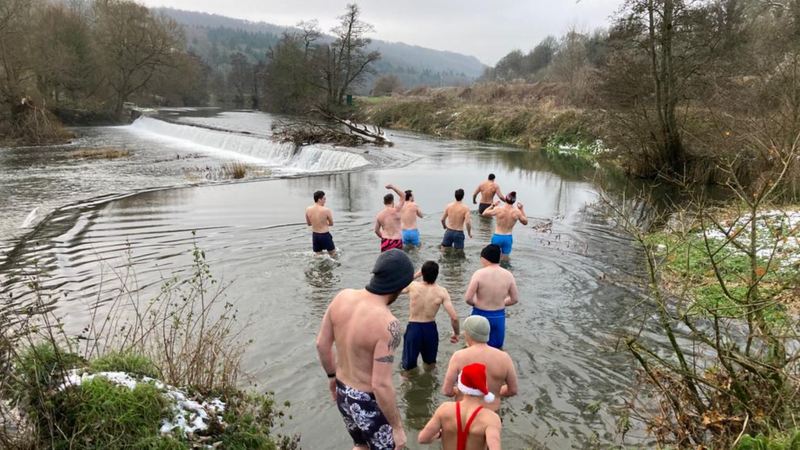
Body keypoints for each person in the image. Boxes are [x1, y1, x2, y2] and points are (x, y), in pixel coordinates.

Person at [316, 249, 414, 450]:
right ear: (400, 286)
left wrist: (331, 377)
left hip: (344, 392)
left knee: (361, 445)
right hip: (368, 402)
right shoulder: (389, 324)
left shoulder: (342, 297)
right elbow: (380, 384)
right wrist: (397, 427)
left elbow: (322, 344)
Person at [418, 363, 502, 450]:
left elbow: (422, 439)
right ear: (484, 387)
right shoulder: (491, 418)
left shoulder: (445, 409)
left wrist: (439, 434)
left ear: (461, 386)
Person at [442, 316, 518, 411]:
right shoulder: (504, 357)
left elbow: (447, 391)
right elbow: (513, 390)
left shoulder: (458, 356)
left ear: (467, 334)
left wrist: (460, 390)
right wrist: (495, 392)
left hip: (465, 413)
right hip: (491, 412)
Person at [400, 261, 460, 371]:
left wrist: (415, 276)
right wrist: (456, 333)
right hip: (430, 330)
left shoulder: (413, 286)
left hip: (414, 329)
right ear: (437, 274)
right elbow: (454, 317)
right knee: (430, 364)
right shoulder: (442, 292)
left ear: (422, 273)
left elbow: (397, 288)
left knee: (407, 367)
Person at [464, 245, 519, 349]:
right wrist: (502, 303)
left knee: (474, 347)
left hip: (479, 315)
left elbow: (468, 298)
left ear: (485, 258)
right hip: (498, 316)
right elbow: (514, 299)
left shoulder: (479, 274)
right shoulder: (508, 275)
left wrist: (475, 303)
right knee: (496, 349)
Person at [481, 192, 528, 260]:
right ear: (514, 201)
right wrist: (521, 209)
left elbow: (484, 213)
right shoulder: (517, 212)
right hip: (508, 238)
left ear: (506, 198)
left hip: (497, 236)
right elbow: (525, 222)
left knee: (493, 257)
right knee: (505, 259)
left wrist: (493, 205)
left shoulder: (498, 209)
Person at [375, 184, 406, 252]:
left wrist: (384, 238)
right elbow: (403, 195)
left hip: (385, 241)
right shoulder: (397, 210)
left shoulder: (379, 215)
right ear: (392, 202)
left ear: (383, 202)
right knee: (398, 261)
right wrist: (392, 187)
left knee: (386, 261)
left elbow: (376, 231)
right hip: (397, 241)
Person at [306, 190, 336, 256]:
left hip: (315, 235)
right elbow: (331, 223)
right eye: (324, 199)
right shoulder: (326, 210)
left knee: (318, 255)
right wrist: (324, 223)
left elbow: (309, 224)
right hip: (324, 235)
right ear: (319, 199)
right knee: (333, 254)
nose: (325, 201)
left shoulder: (308, 209)